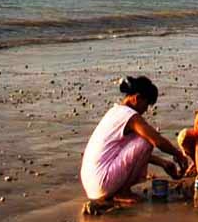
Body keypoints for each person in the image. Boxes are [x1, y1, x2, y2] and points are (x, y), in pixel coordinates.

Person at [80, 75, 187, 213]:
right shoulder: (129, 116)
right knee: (146, 140)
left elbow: (130, 154)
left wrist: (162, 163)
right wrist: (178, 154)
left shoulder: (116, 111)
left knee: (142, 140)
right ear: (137, 98)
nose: (145, 110)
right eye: (146, 104)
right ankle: (122, 192)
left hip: (92, 184)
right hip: (102, 182)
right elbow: (156, 140)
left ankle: (118, 190)